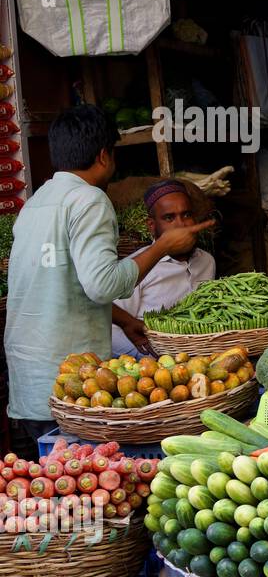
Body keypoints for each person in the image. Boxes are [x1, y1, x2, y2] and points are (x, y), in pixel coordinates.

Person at [4, 105, 213, 445]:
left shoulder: (36, 203)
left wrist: (123, 319)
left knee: (51, 484)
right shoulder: (89, 200)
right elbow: (103, 285)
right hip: (70, 383)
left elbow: (62, 282)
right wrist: (162, 247)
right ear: (104, 156)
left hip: (30, 381)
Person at [111, 180, 216, 358]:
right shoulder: (137, 268)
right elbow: (110, 322)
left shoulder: (207, 262)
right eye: (169, 218)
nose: (181, 225)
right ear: (151, 226)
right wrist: (149, 359)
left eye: (186, 215)